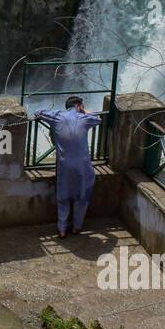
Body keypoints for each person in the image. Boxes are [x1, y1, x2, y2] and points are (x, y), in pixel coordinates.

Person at [35, 96, 102, 238]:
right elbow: (98, 119)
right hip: (83, 165)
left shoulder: (57, 116)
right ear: (79, 105)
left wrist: (56, 113)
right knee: (82, 197)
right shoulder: (84, 118)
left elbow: (38, 112)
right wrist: (84, 111)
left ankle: (62, 229)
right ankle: (77, 227)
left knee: (63, 197)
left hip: (64, 165)